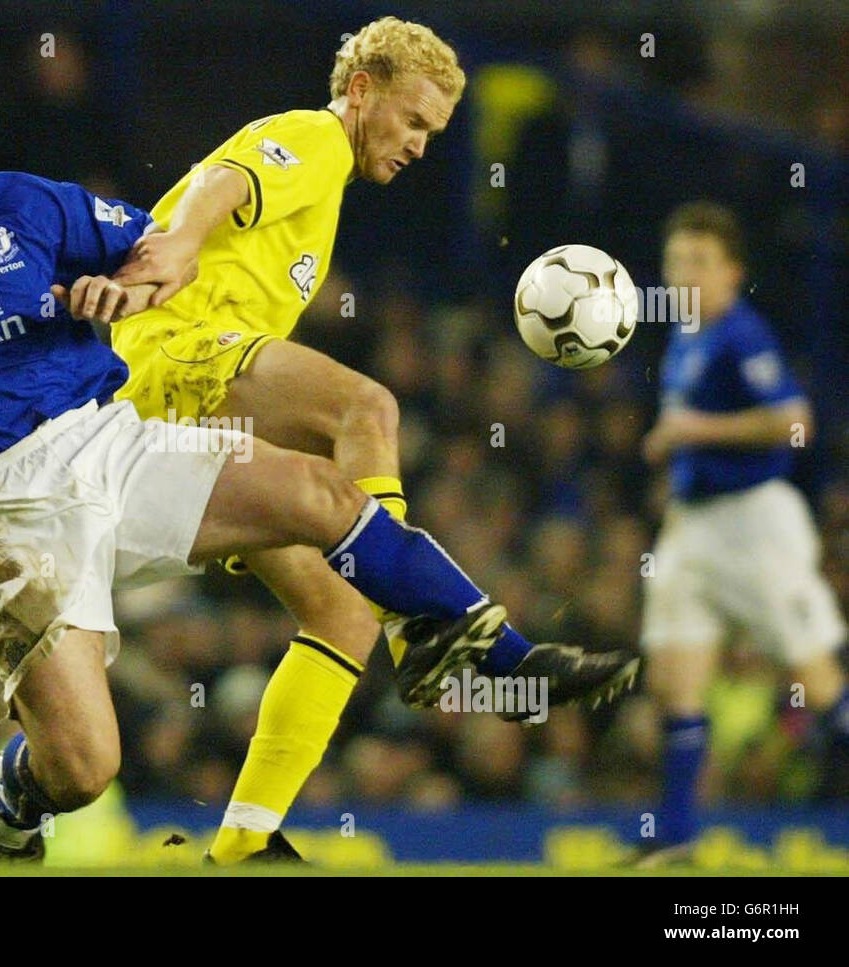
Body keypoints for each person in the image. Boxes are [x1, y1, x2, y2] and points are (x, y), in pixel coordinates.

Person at [0, 63, 553, 863]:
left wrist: (134, 284)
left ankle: (506, 654)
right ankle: (14, 794)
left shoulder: (26, 202)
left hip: (107, 439)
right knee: (84, 771)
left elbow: (164, 248)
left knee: (323, 490)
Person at [104, 17, 637, 863]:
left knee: (337, 607)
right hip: (170, 356)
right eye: (414, 121)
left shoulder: (330, 190)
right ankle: (435, 627)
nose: (422, 146)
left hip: (179, 410)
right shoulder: (315, 136)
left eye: (435, 132)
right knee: (368, 408)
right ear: (361, 91)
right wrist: (180, 243)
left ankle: (244, 841)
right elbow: (227, 181)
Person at [635, 201, 849, 865]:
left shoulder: (741, 333)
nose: (685, 276)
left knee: (816, 681)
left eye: (700, 262)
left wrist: (692, 431)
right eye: (676, 262)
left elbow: (794, 424)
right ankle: (676, 839)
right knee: (675, 677)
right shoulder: (685, 339)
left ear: (732, 273)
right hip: (693, 527)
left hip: (757, 521)